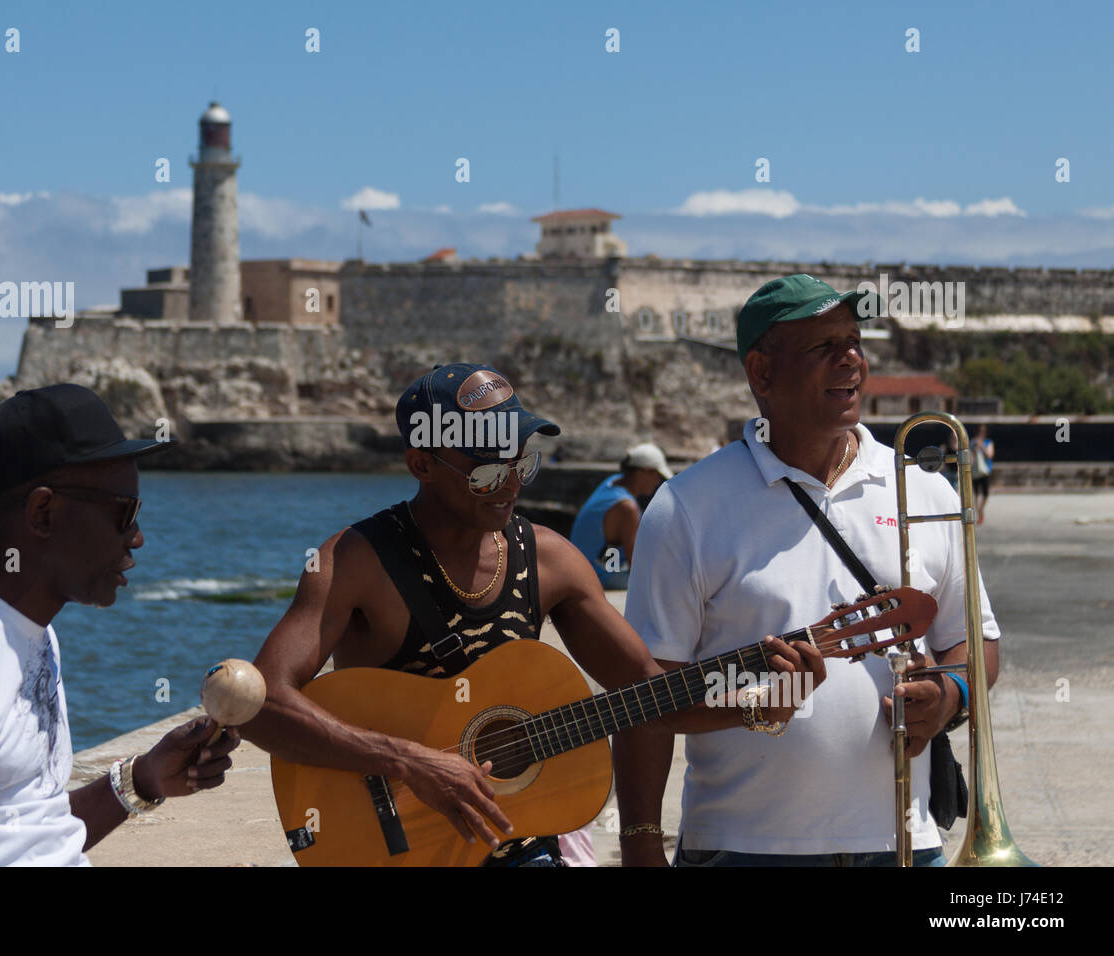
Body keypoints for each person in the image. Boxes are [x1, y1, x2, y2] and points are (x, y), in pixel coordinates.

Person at [242, 363, 823, 866]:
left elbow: (649, 691)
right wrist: (411, 761)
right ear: (421, 463)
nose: (512, 482)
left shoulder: (551, 560)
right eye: (488, 469)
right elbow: (260, 702)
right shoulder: (354, 560)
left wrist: (753, 706)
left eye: (523, 460)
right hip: (393, 845)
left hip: (520, 847)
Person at [619, 274, 1002, 867]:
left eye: (854, 341)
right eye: (823, 347)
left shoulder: (924, 492)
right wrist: (641, 844)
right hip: (744, 848)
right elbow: (645, 696)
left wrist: (949, 693)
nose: (851, 358)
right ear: (761, 373)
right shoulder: (686, 507)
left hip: (905, 845)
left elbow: (972, 641)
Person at [0, 384, 239, 866]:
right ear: (43, 512)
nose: (137, 536)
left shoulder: (33, 632)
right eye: (124, 512)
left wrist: (143, 779)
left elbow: (30, 835)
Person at [569, 442, 672, 589]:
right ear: (643, 472)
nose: (658, 482)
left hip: (584, 567)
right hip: (598, 575)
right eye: (657, 475)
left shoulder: (611, 482)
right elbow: (636, 565)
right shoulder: (627, 508)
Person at [970, 424, 995, 525]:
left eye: (983, 432)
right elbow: (970, 457)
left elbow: (990, 455)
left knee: (985, 493)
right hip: (975, 470)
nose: (981, 433)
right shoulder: (972, 442)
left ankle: (980, 510)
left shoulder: (988, 442)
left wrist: (982, 446)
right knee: (976, 493)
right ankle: (978, 513)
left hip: (985, 470)